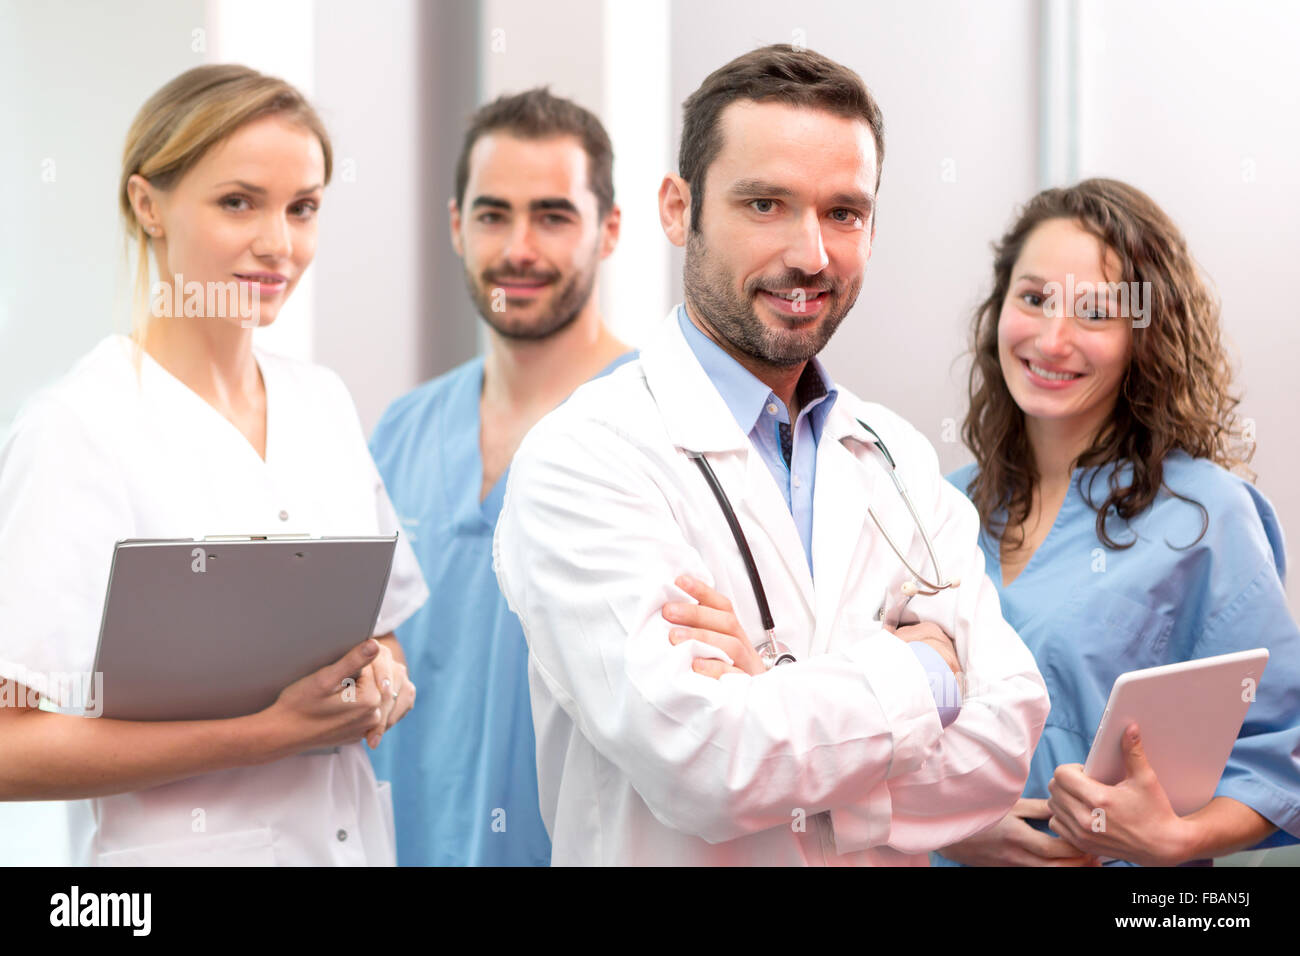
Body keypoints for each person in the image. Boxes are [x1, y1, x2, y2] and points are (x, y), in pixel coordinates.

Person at [492, 44, 1050, 866]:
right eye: (765, 204)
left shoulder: (896, 457)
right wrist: (924, 675)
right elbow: (707, 764)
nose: (810, 254)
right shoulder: (585, 459)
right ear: (679, 210)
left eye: (844, 212)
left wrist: (774, 693)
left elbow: (1005, 744)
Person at [0, 64, 428, 865]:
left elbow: (383, 637)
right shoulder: (77, 427)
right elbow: (9, 748)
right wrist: (261, 736)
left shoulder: (323, 403)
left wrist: (383, 686)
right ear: (147, 205)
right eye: (239, 202)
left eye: (302, 208)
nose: (278, 242)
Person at [935, 178, 1300, 867]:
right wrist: (949, 825)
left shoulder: (1204, 519)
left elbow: (1282, 752)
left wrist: (1177, 839)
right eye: (1034, 298)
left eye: (1095, 313)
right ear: (999, 309)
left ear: (1146, 335)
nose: (1052, 338)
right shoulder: (935, 511)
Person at [367, 88, 633, 866]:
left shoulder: (659, 428)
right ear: (456, 224)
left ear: (609, 231)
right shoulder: (401, 430)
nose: (519, 248)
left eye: (553, 216)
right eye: (492, 214)